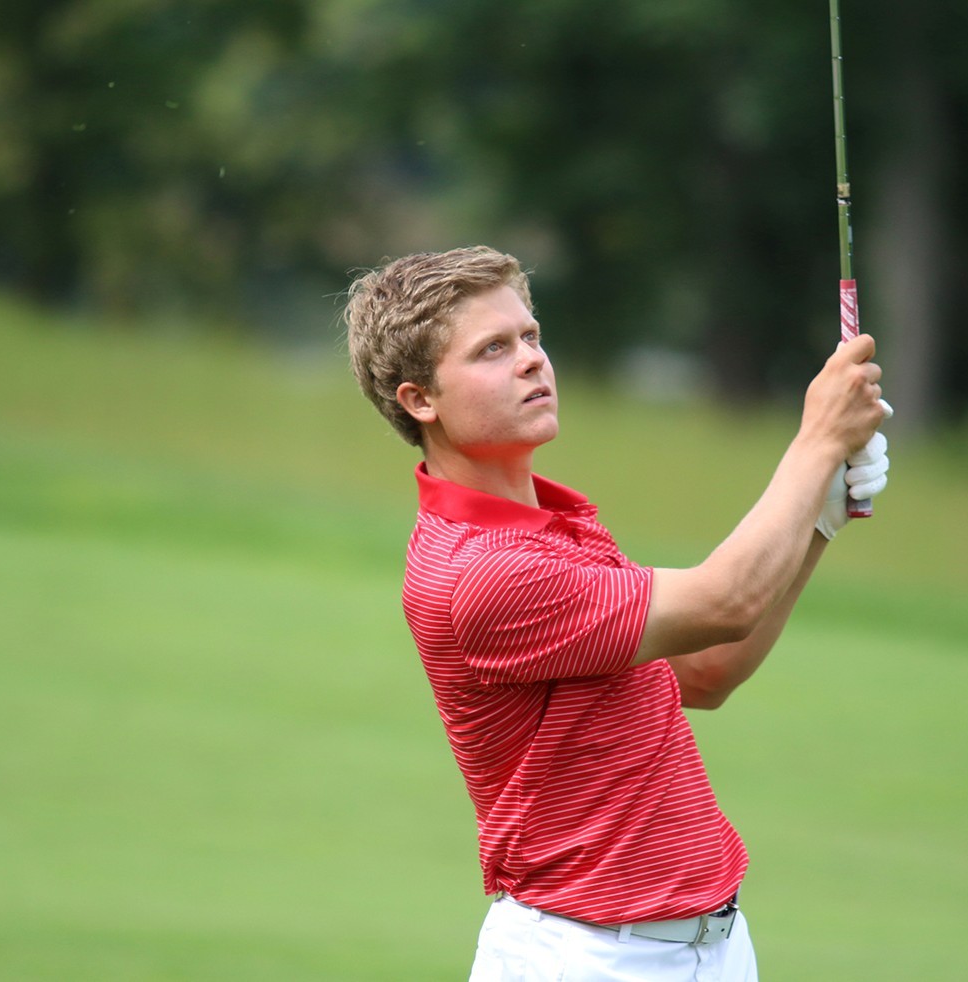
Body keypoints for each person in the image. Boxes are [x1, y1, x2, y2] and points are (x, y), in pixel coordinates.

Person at [344, 246, 890, 981]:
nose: (532, 362)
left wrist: (818, 521)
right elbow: (726, 600)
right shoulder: (483, 572)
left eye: (531, 337)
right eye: (492, 350)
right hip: (591, 956)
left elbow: (705, 669)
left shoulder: (553, 523)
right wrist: (818, 441)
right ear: (420, 400)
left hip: (707, 947)